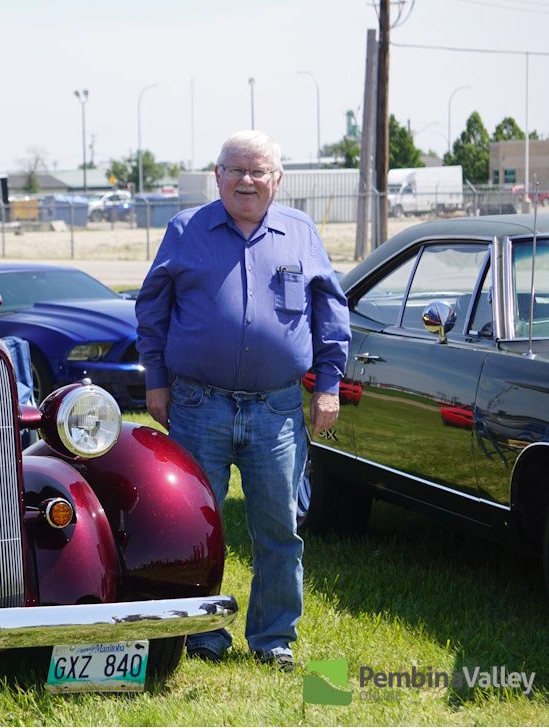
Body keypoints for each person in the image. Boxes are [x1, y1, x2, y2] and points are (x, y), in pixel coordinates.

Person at [134, 130, 349, 671]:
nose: (246, 180)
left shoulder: (300, 232)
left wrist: (328, 384)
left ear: (277, 179)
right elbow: (153, 308)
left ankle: (273, 638)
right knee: (196, 527)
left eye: (258, 171)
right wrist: (156, 380)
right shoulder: (185, 229)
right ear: (218, 176)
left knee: (279, 529)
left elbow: (331, 311)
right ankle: (203, 632)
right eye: (236, 170)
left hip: (277, 411)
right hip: (197, 405)